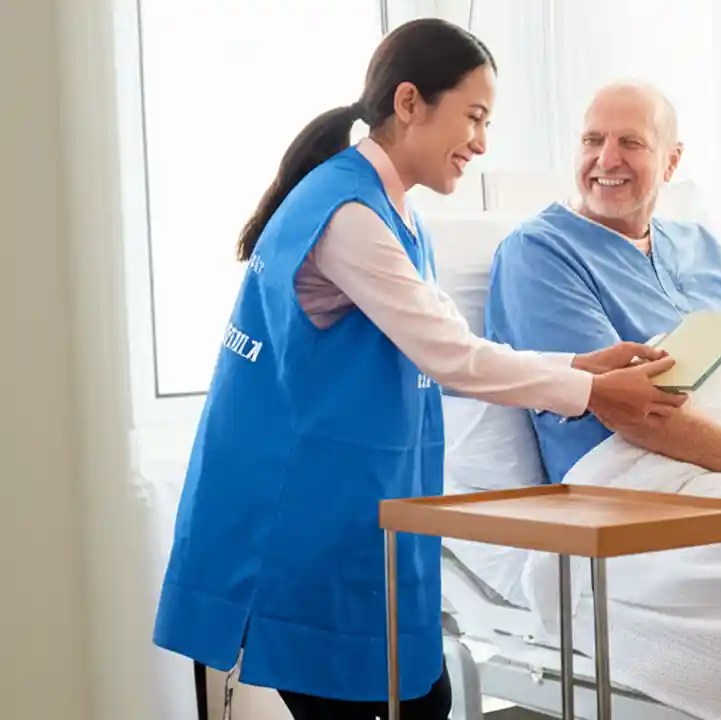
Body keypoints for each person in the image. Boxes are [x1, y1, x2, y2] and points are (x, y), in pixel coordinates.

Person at [152, 22, 686, 720]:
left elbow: (447, 341)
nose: (482, 142)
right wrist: (593, 390)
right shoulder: (345, 215)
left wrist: (582, 363)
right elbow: (450, 357)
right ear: (410, 103)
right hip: (289, 532)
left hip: (351, 529)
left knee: (423, 699)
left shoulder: (394, 213)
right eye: (474, 117)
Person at [486, 81, 721, 493]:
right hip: (644, 473)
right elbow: (632, 413)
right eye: (592, 140)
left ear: (671, 161)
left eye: (630, 143)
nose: (606, 159)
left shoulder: (698, 245)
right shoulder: (538, 252)